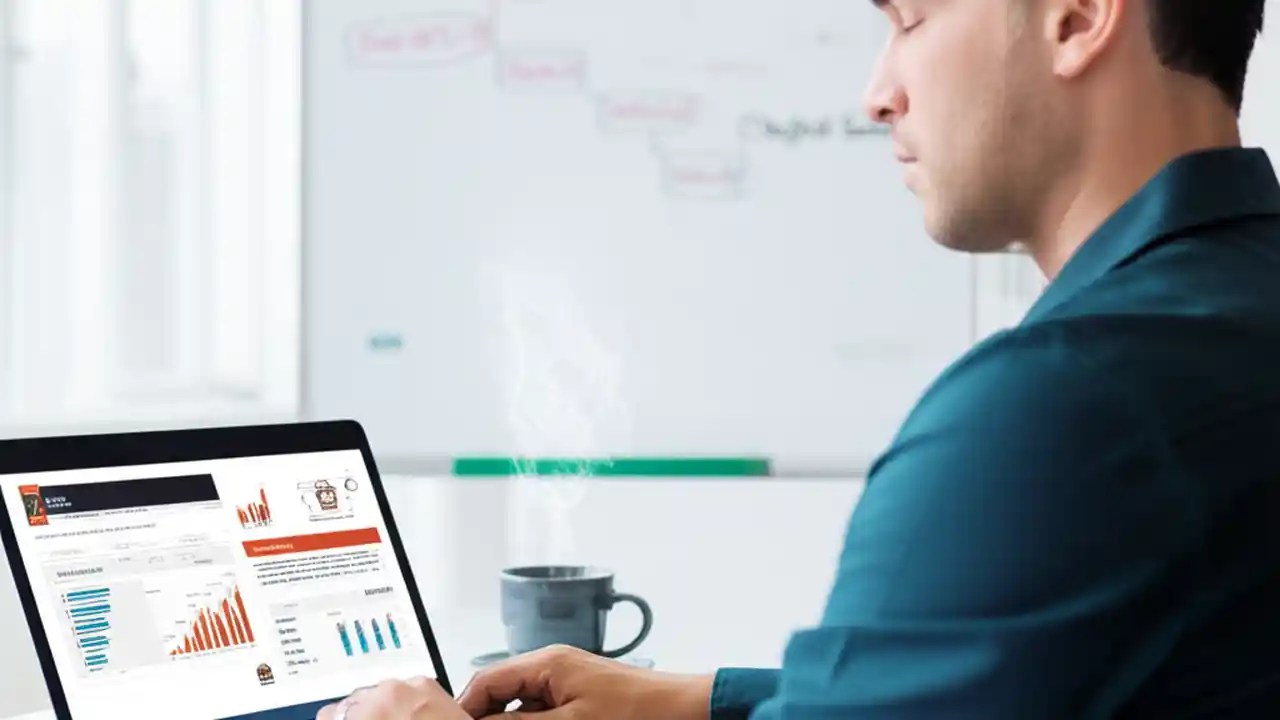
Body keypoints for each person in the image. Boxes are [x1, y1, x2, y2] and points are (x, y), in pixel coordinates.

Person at [320, 0, 1279, 717]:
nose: (876, 94)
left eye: (910, 21)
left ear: (1077, 17)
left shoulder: (1058, 407)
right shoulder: (1237, 312)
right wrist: (693, 701)